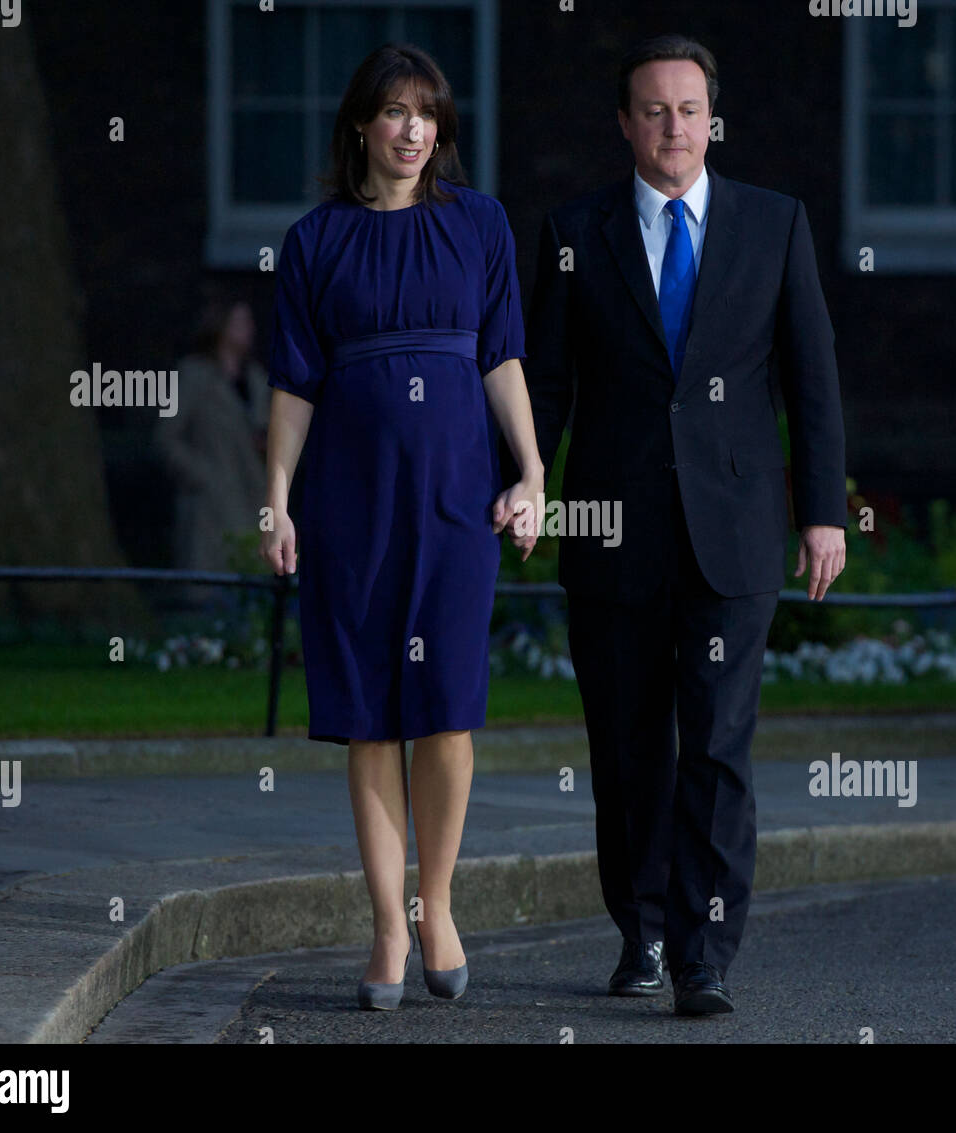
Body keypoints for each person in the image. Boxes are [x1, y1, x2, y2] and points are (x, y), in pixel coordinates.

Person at [513, 33, 848, 1016]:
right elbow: (544, 381)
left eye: (689, 110)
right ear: (625, 123)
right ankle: (644, 933)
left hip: (733, 530)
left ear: (713, 121)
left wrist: (822, 513)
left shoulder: (774, 223)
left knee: (716, 745)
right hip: (612, 531)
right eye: (654, 110)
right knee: (628, 749)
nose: (673, 127)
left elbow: (811, 380)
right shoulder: (574, 230)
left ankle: (705, 953)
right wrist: (523, 482)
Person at [259, 44, 542, 1011]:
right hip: (350, 500)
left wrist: (533, 472)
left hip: (458, 497)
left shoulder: (480, 223)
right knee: (370, 718)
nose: (413, 129)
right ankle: (386, 922)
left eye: (427, 113)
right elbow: (294, 383)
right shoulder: (314, 241)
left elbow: (502, 356)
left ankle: (438, 905)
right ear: (361, 126)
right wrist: (278, 497)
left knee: (448, 708)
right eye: (394, 111)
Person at [157, 298, 269, 593]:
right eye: (241, 322)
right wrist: (203, 477)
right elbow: (167, 438)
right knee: (210, 592)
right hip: (210, 511)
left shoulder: (257, 379)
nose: (249, 329)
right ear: (221, 327)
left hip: (253, 500)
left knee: (252, 590)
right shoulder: (193, 376)